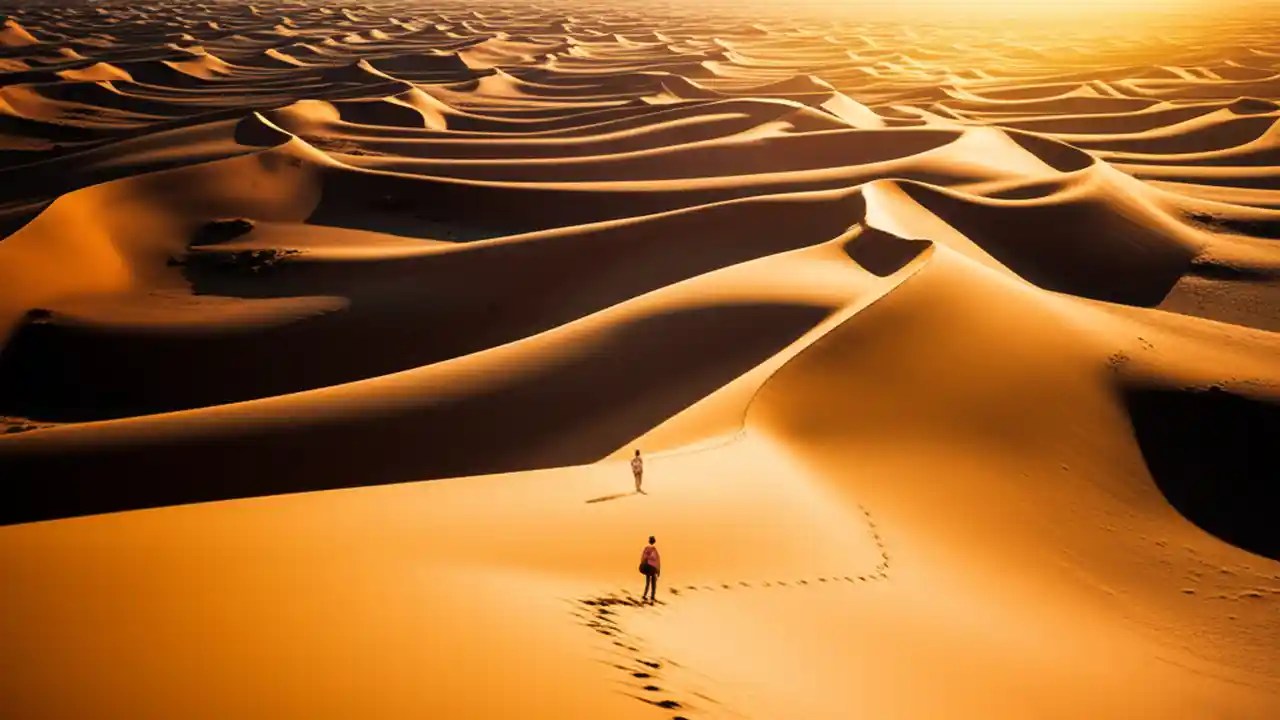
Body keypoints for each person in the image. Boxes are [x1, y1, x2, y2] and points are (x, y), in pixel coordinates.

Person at [639, 535, 661, 602]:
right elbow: (657, 560)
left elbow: (643, 558)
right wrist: (658, 570)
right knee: (653, 583)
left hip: (647, 567)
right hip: (652, 568)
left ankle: (645, 595)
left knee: (648, 582)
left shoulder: (646, 549)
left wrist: (643, 564)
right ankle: (652, 596)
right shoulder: (654, 550)